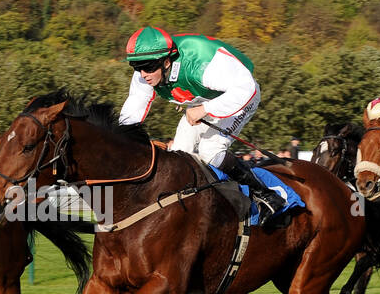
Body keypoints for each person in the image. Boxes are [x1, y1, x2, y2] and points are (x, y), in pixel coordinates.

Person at [118, 26, 287, 229]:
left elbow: (246, 89)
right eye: (137, 68)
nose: (143, 74)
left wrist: (205, 109)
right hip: (201, 102)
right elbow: (135, 105)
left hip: (239, 96)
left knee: (210, 151)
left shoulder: (201, 64)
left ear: (166, 61)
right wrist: (121, 140)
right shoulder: (147, 69)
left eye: (148, 68)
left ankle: (266, 195)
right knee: (179, 157)